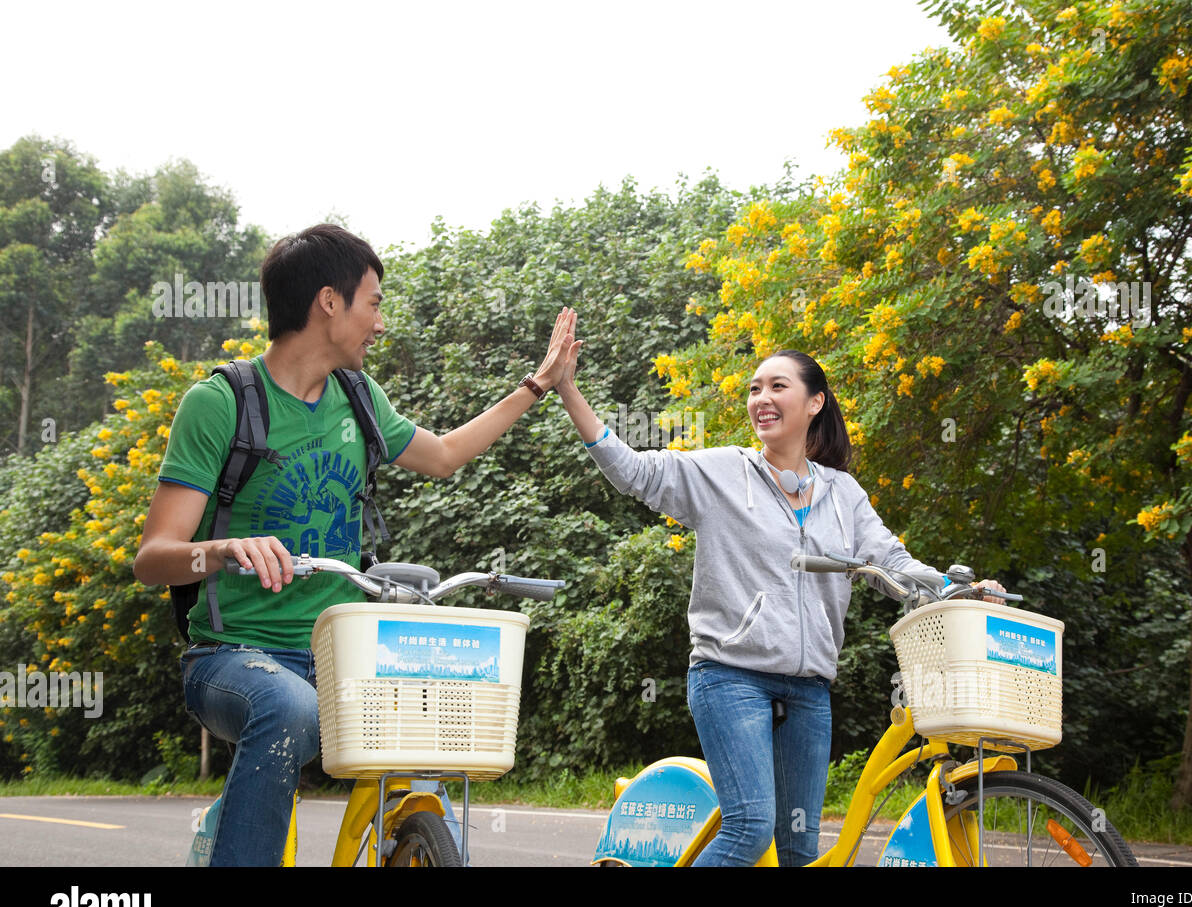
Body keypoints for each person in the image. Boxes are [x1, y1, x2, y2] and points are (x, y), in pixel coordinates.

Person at [133, 224, 578, 866]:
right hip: (235, 656)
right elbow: (154, 558)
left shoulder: (359, 399)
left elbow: (446, 455)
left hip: (341, 653)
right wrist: (226, 549)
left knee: (435, 712)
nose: (378, 321)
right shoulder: (221, 403)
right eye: (373, 302)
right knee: (288, 709)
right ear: (329, 302)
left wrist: (537, 385)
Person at [552, 313, 1004, 866]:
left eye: (777, 386)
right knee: (750, 828)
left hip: (809, 689)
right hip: (730, 676)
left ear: (814, 403)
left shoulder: (843, 493)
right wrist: (569, 390)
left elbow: (890, 560)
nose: (761, 398)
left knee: (796, 850)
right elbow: (635, 473)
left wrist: (955, 590)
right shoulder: (723, 473)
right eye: (754, 388)